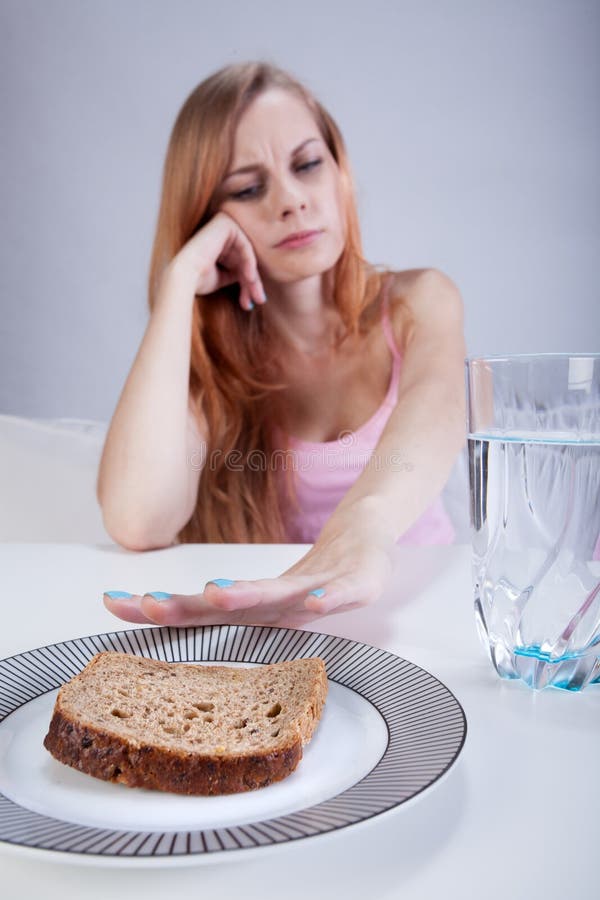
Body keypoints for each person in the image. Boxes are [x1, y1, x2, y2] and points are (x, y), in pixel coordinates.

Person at [97, 60, 466, 629]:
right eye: (248, 188)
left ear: (341, 173)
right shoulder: (208, 372)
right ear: (206, 218)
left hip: (425, 619)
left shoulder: (421, 301)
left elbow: (437, 419)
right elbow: (138, 520)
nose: (291, 200)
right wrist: (178, 282)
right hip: (287, 639)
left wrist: (360, 531)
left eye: (308, 164)